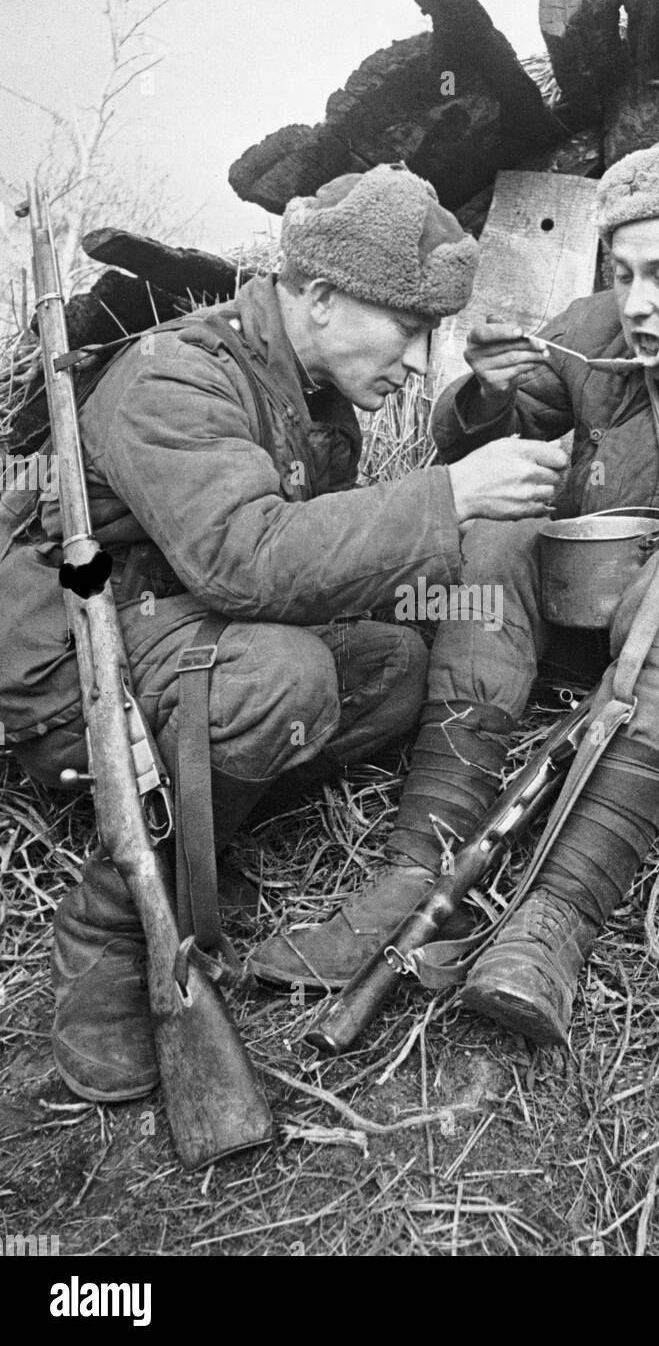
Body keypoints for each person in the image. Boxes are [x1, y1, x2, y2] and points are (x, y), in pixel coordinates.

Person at [253, 135, 659, 1045]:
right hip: (587, 617)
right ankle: (414, 865)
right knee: (500, 534)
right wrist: (483, 393)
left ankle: (555, 920)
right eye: (623, 272)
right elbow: (499, 428)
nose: (636, 303)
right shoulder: (596, 326)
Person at [0, 163, 570, 1099]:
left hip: (174, 630)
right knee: (288, 679)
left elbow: (318, 568)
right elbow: (249, 564)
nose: (424, 361)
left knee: (388, 668)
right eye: (411, 328)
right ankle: (110, 917)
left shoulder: (309, 398)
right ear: (317, 295)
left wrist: (471, 597)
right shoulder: (178, 375)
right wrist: (451, 495)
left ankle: (198, 834)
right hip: (71, 666)